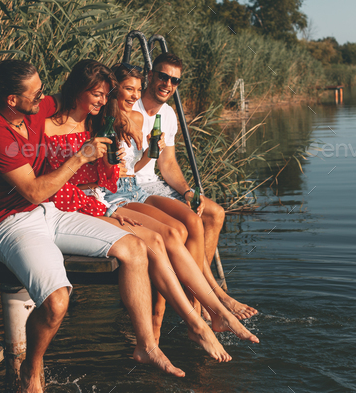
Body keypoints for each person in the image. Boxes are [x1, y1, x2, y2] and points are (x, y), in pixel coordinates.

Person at [0, 59, 186, 393]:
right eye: (36, 92)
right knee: (57, 302)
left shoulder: (36, 106)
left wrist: (121, 114)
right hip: (12, 223)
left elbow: (79, 94)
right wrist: (81, 157)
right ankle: (32, 367)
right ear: (12, 100)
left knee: (134, 247)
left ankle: (146, 345)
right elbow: (34, 190)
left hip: (50, 212)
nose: (43, 97)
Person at [43, 60, 260, 348]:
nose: (108, 99)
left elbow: (143, 166)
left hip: (106, 195)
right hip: (99, 200)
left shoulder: (114, 119)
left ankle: (207, 309)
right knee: (170, 234)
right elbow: (90, 179)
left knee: (194, 222)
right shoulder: (82, 121)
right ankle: (197, 316)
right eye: (112, 92)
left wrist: (147, 160)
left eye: (107, 95)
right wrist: (103, 168)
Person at [133, 53, 258, 320]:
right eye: (163, 76)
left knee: (215, 213)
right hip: (132, 188)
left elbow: (167, 165)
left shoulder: (167, 114)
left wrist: (188, 191)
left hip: (154, 184)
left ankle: (195, 292)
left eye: (175, 81)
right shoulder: (129, 107)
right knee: (189, 222)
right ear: (150, 75)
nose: (168, 84)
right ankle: (207, 299)